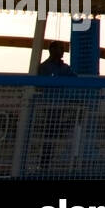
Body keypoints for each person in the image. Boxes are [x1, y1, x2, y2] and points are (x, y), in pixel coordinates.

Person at [35, 42, 76, 174]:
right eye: (60, 49)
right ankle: (45, 164)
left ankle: (48, 163)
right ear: (52, 50)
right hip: (50, 106)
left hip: (61, 105)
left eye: (63, 49)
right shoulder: (45, 67)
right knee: (50, 135)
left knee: (55, 133)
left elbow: (75, 79)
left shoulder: (64, 68)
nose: (62, 52)